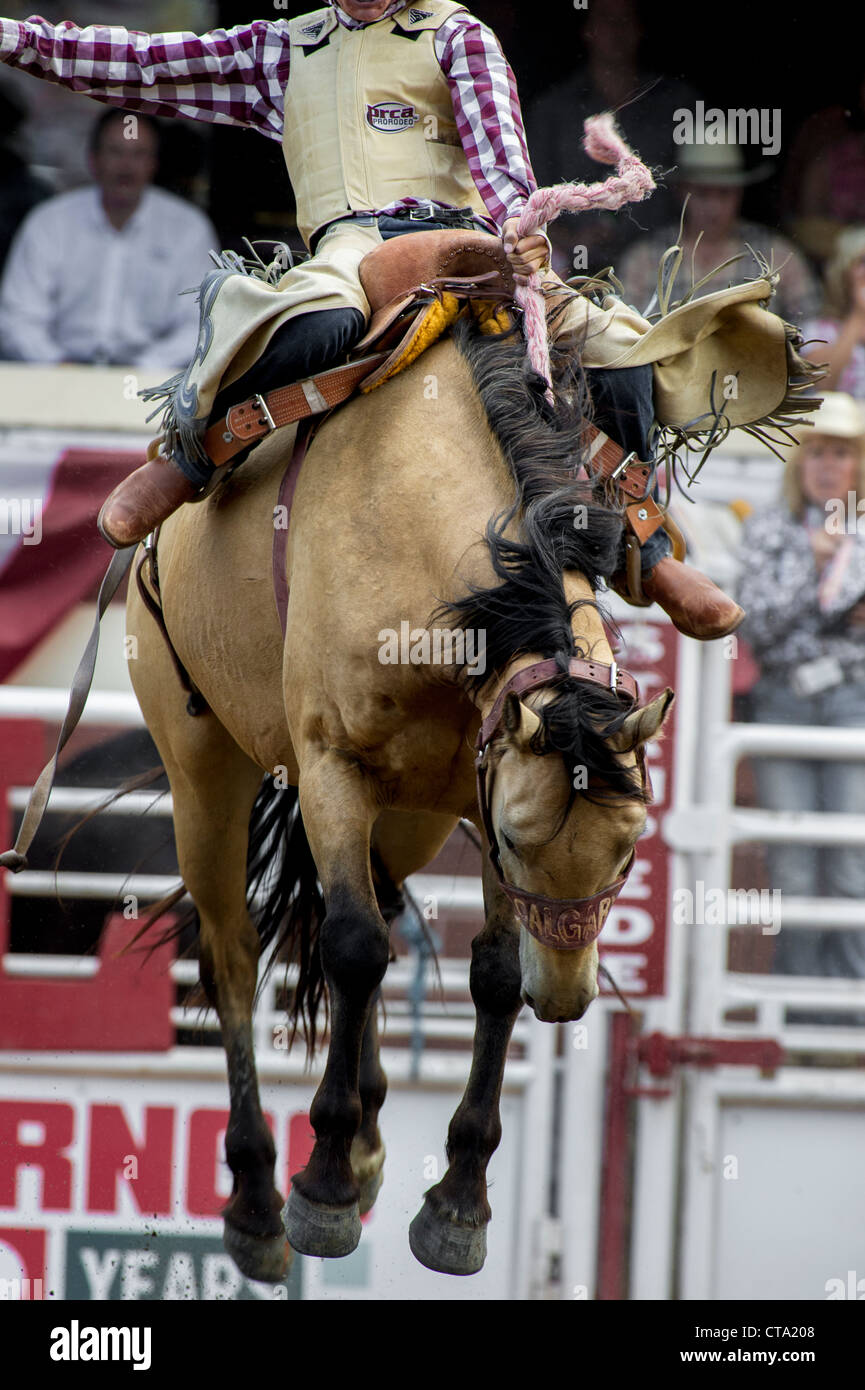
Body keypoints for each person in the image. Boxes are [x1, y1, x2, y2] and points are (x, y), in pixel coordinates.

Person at [1, 2, 783, 641]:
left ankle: (641, 542)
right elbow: (142, 66)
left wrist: (519, 232)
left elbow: (501, 158)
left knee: (623, 356)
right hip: (350, 248)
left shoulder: (454, 34)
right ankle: (194, 455)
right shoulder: (284, 48)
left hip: (469, 241)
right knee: (309, 328)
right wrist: (17, 39)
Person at [737, 392, 865, 991]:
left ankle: (845, 1018)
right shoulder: (769, 529)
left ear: (856, 464)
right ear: (800, 460)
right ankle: (796, 1009)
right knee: (789, 864)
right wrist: (812, 571)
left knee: (851, 861)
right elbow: (755, 625)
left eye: (840, 453)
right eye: (816, 451)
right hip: (784, 699)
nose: (827, 464)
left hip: (853, 701)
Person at [0, 106, 217, 367]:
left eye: (138, 154)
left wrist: (142, 372)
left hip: (153, 385)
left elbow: (200, 324)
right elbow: (17, 317)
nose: (126, 166)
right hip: (55, 377)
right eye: (115, 152)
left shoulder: (189, 229)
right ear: (93, 160)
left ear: (154, 163)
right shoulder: (49, 222)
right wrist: (57, 364)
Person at [618, 142, 820, 326]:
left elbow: (812, 329)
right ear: (682, 192)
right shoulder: (645, 259)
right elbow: (620, 332)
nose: (714, 207)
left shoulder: (777, 255)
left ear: (739, 192)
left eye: (724, 193)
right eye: (703, 193)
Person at [802, 227, 865, 400]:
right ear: (844, 273)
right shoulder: (818, 331)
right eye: (863, 262)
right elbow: (824, 384)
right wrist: (859, 315)